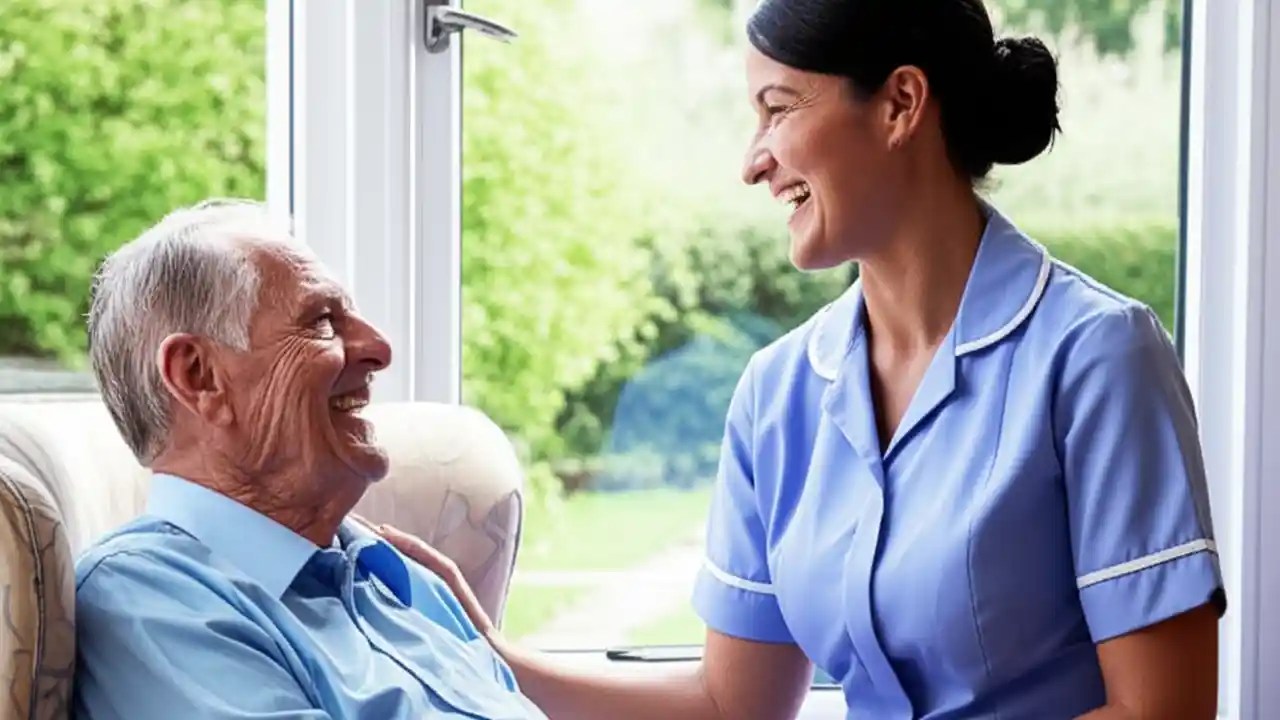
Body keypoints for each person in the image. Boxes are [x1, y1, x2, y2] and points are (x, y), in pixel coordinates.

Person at [377, 0, 1226, 718]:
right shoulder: (777, 392)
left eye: (778, 109)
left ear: (900, 105)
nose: (753, 162)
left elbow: (1164, 712)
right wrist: (485, 654)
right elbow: (729, 704)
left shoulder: (1096, 359)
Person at [74, 199, 545, 719]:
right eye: (323, 321)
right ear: (199, 377)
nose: (379, 348)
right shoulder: (152, 602)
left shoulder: (399, 577)